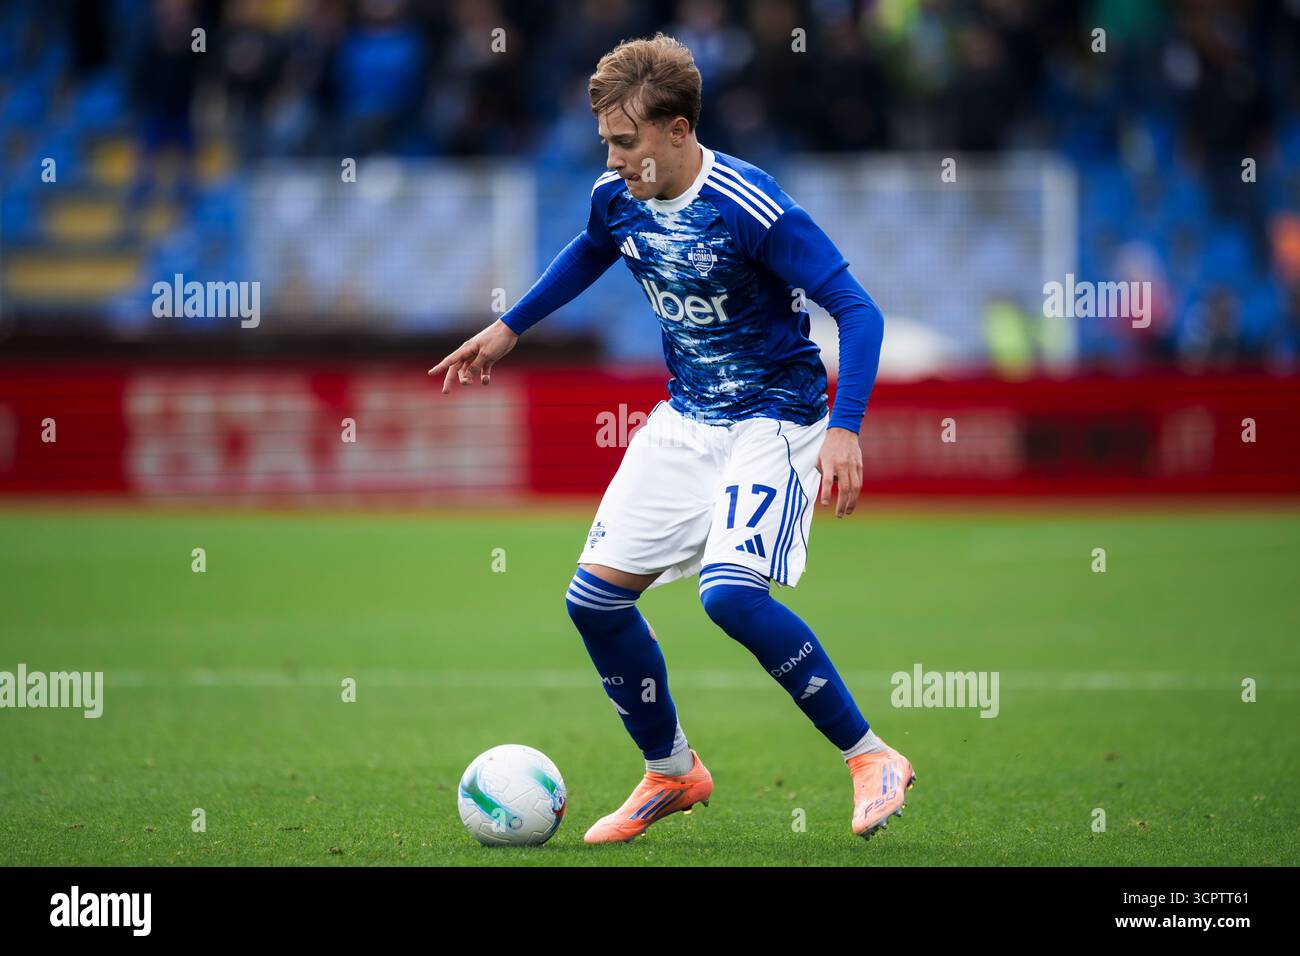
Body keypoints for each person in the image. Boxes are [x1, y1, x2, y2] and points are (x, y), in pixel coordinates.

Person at [429, 34, 912, 844]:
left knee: (728, 595)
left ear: (679, 131)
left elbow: (858, 311)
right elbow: (593, 247)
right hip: (686, 418)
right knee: (593, 601)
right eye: (606, 143)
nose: (613, 160)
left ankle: (869, 756)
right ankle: (672, 770)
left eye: (627, 142)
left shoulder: (750, 206)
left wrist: (846, 429)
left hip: (774, 420)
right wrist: (510, 327)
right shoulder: (617, 196)